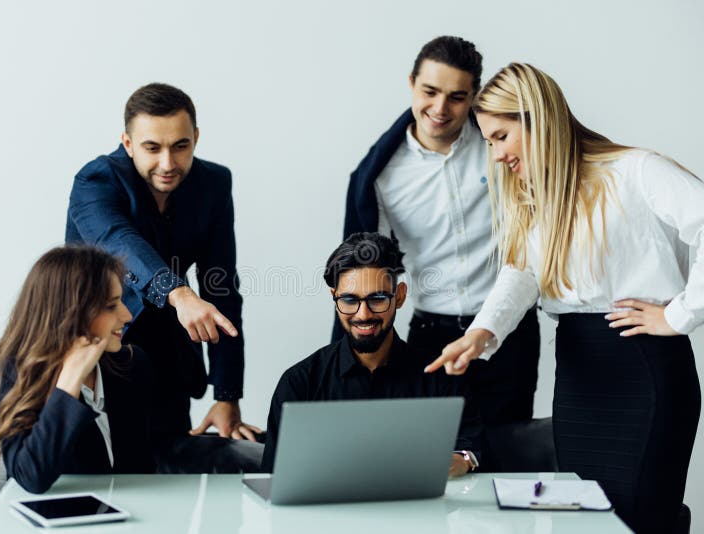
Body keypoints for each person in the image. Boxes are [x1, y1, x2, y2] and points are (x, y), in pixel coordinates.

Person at [426, 62, 702, 533]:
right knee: (583, 521)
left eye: (501, 137)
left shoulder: (637, 170)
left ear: (537, 119)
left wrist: (678, 316)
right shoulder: (536, 196)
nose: (496, 155)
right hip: (578, 381)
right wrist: (481, 333)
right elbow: (522, 271)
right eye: (488, 142)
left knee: (638, 521)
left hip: (644, 373)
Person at [340, 36, 539, 426]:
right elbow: (366, 272)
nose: (440, 108)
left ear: (474, 96)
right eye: (430, 91)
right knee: (431, 451)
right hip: (432, 335)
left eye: (457, 97)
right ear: (411, 83)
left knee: (508, 449)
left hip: (509, 329)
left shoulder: (501, 147)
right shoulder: (378, 176)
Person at [66, 83, 261, 447]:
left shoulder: (214, 184)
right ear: (128, 143)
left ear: (196, 138)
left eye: (180, 146)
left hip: (170, 363)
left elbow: (221, 287)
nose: (168, 163)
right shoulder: (94, 181)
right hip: (96, 354)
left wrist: (227, 396)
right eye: (152, 148)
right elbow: (119, 241)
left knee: (171, 468)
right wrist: (179, 293)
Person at [263, 232, 482, 474]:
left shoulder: (440, 377)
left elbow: (472, 448)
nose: (363, 314)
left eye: (377, 299)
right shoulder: (300, 383)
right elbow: (273, 476)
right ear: (334, 297)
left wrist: (463, 459)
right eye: (349, 300)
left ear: (399, 296)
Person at [0, 246, 155, 494]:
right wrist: (70, 379)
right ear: (70, 313)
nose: (127, 315)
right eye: (111, 305)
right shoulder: (12, 374)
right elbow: (31, 476)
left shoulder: (132, 363)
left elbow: (147, 464)